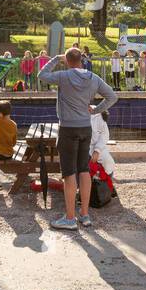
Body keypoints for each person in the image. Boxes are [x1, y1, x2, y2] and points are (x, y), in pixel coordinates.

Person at [38, 48, 118, 230]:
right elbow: (112, 96)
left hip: (68, 128)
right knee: (83, 170)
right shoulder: (93, 78)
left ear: (67, 60)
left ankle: (70, 218)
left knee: (68, 173)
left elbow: (41, 75)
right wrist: (96, 110)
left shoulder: (63, 76)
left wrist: (55, 59)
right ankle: (85, 215)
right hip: (85, 128)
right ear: (81, 59)